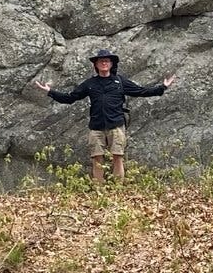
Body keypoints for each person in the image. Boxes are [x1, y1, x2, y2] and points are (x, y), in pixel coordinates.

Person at [35, 49, 176, 183]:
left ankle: (117, 190)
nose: (104, 63)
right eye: (101, 61)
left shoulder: (120, 81)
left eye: (107, 61)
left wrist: (162, 88)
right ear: (96, 64)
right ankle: (99, 190)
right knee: (97, 159)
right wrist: (50, 91)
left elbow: (141, 91)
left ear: (111, 64)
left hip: (116, 125)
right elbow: (70, 98)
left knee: (117, 157)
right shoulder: (90, 84)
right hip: (96, 127)